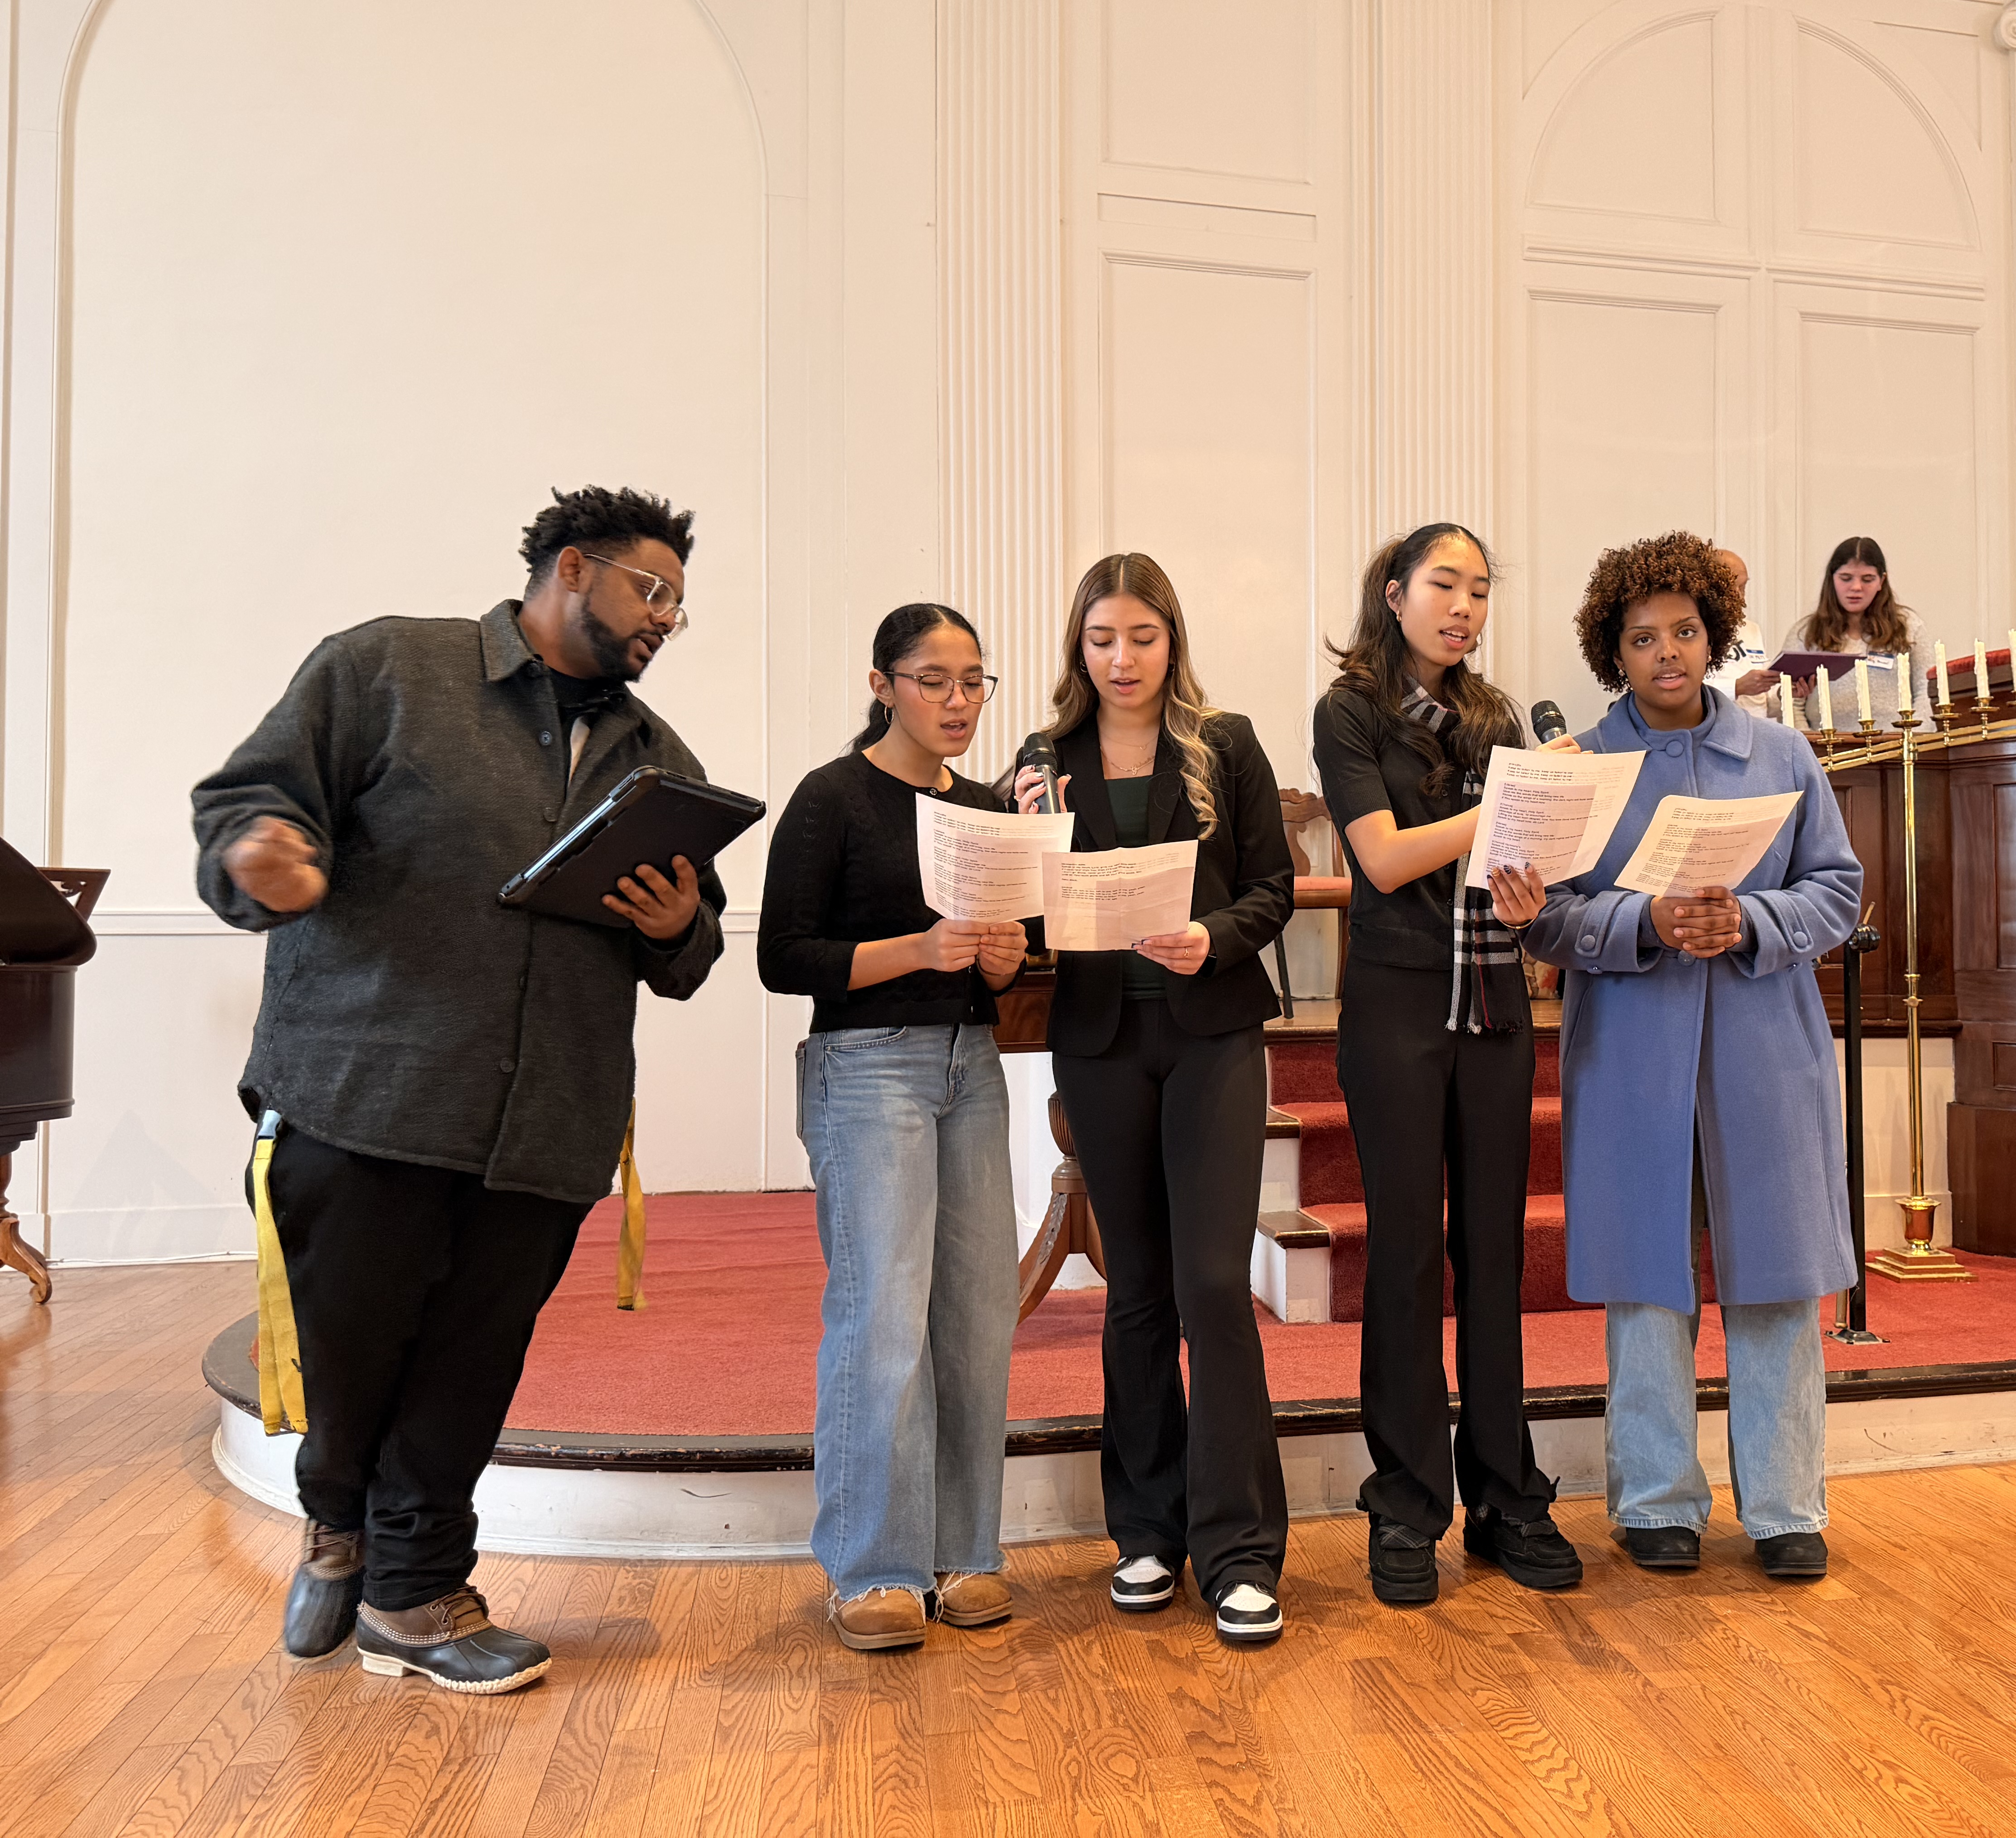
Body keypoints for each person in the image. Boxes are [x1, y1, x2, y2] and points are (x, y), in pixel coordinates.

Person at [192, 486, 725, 1694]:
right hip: (364, 1090)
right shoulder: (387, 669)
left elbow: (693, 956)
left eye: (680, 607)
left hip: (548, 1119)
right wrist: (257, 852)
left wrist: (683, 922)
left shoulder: (660, 762)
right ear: (573, 567)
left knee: (472, 1360)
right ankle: (340, 1521)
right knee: (355, 1342)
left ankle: (415, 1589)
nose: (667, 620)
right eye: (653, 590)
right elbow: (249, 801)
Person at [1498, 531, 1862, 1579]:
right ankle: (1657, 1501)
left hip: (1765, 1054)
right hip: (1632, 1055)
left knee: (1779, 1280)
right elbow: (1552, 920)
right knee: (1649, 1284)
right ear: (1614, 652)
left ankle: (1788, 1505)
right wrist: (1646, 922)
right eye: (1644, 637)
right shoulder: (1583, 771)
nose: (1668, 652)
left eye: (1686, 631)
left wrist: (1745, 922)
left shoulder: (1786, 756)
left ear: (1713, 637)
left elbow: (1836, 889)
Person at [1010, 553, 1295, 1645]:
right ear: (1076, 648)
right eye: (1100, 640)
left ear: (1173, 639)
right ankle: (1146, 1532)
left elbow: (1271, 887)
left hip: (1211, 1034)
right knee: (1134, 1291)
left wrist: (1212, 939)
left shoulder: (1226, 746)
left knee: (1214, 1285)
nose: (1121, 659)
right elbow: (1024, 919)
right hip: (1099, 1041)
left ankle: (1240, 1550)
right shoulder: (1043, 759)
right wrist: (1029, 837)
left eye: (1141, 636)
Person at [1310, 522, 1581, 1606]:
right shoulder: (1350, 711)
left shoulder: (1494, 715)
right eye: (1443, 585)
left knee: (1495, 1255)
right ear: (1394, 592)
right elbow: (1380, 857)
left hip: (1496, 996)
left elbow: (1519, 860)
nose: (1463, 607)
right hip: (1397, 1003)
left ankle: (1507, 1495)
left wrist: (1534, 881)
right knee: (1409, 1259)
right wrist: (1493, 817)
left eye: (1478, 589)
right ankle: (1408, 1504)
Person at [756, 604, 1032, 1654]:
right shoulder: (833, 799)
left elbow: (1014, 952)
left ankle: (968, 1552)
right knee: (882, 1320)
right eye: (935, 680)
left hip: (972, 1064)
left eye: (974, 682)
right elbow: (786, 958)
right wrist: (919, 950)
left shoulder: (990, 807)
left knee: (975, 1316)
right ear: (883, 685)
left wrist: (1006, 958)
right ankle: (875, 1566)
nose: (959, 701)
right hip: (868, 1067)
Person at [1744, 536, 1931, 729]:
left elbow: (1926, 691)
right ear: (1832, 578)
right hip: (1825, 748)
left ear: (1882, 581)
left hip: (1895, 747)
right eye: (1846, 578)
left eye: (1868, 579)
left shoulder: (1908, 626)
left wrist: (1914, 738)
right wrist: (1808, 744)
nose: (1856, 587)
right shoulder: (1806, 633)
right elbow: (1791, 701)